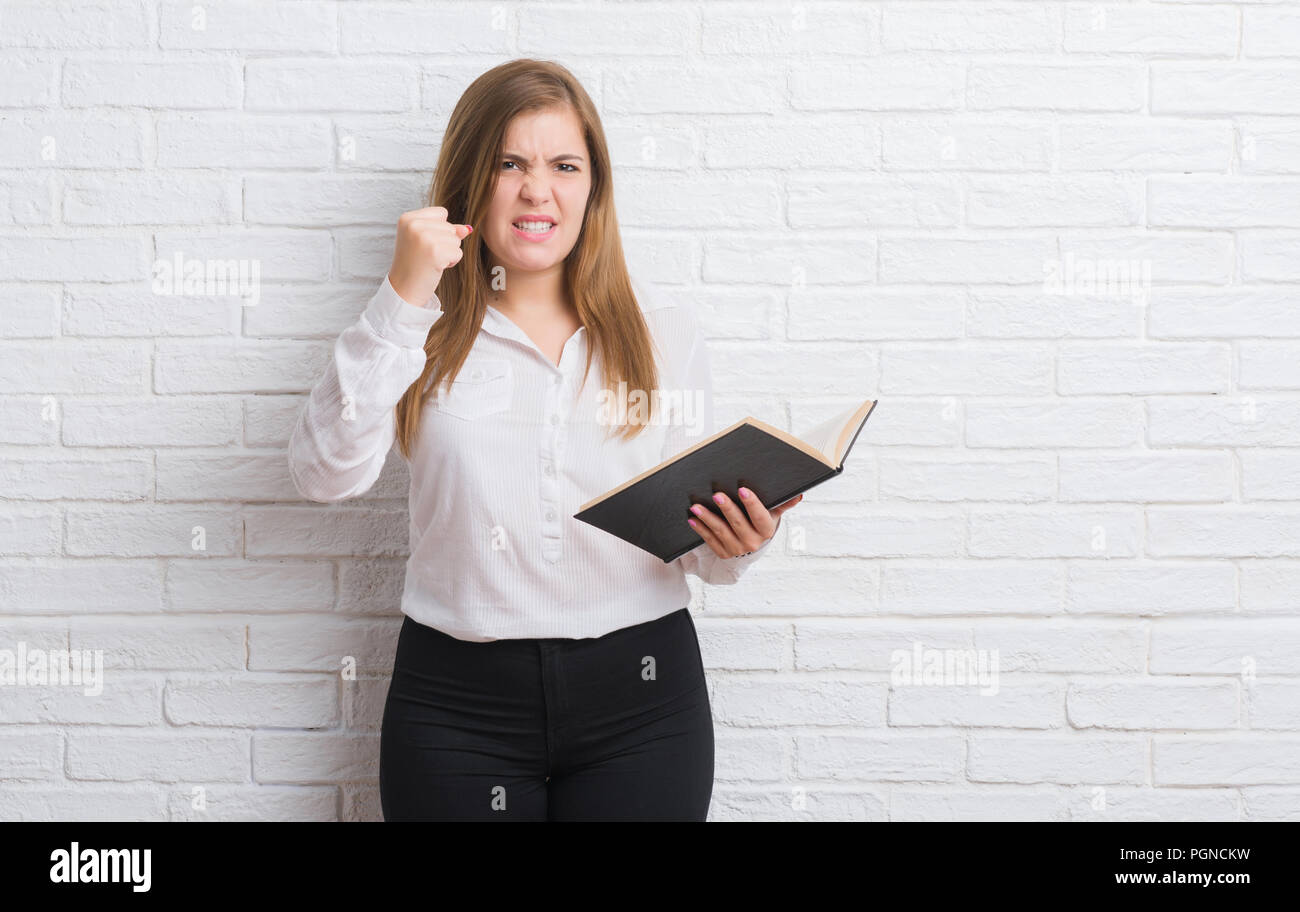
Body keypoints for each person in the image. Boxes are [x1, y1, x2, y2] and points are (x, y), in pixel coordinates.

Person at [287, 58, 803, 821]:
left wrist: (739, 542)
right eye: (509, 164)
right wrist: (401, 295)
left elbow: (695, 551)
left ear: (592, 186)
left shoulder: (664, 334)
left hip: (644, 702)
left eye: (565, 165)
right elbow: (324, 473)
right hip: (456, 708)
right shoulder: (416, 329)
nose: (538, 190)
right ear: (469, 182)